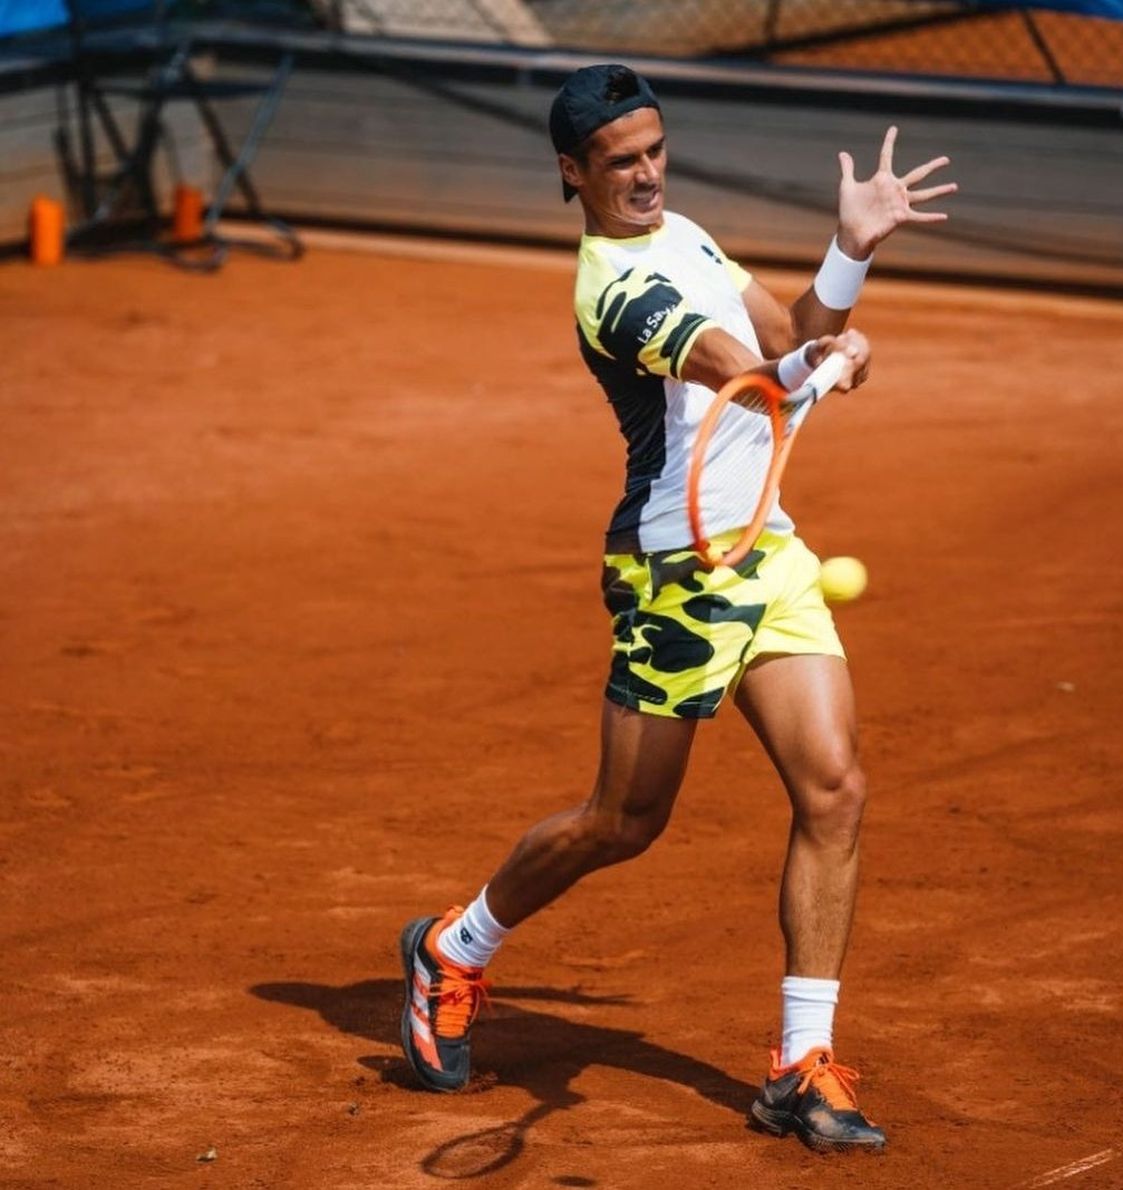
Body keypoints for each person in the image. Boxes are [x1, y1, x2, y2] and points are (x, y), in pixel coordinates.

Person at [399, 63, 955, 1153]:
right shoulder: (611, 288)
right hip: (679, 577)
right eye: (621, 160)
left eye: (655, 149)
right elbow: (743, 369)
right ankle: (452, 950)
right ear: (575, 172)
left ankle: (801, 1064)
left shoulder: (688, 234)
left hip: (768, 553)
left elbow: (789, 325)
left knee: (835, 787)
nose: (647, 172)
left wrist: (851, 256)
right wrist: (819, 366)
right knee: (625, 821)